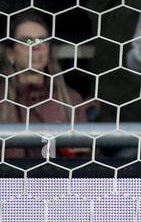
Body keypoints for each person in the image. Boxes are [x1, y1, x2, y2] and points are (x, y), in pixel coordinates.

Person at [0, 10, 91, 158]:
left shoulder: (70, 99)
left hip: (57, 179)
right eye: (27, 41)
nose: (36, 47)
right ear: (11, 53)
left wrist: (84, 149)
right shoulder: (2, 100)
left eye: (42, 40)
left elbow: (91, 159)